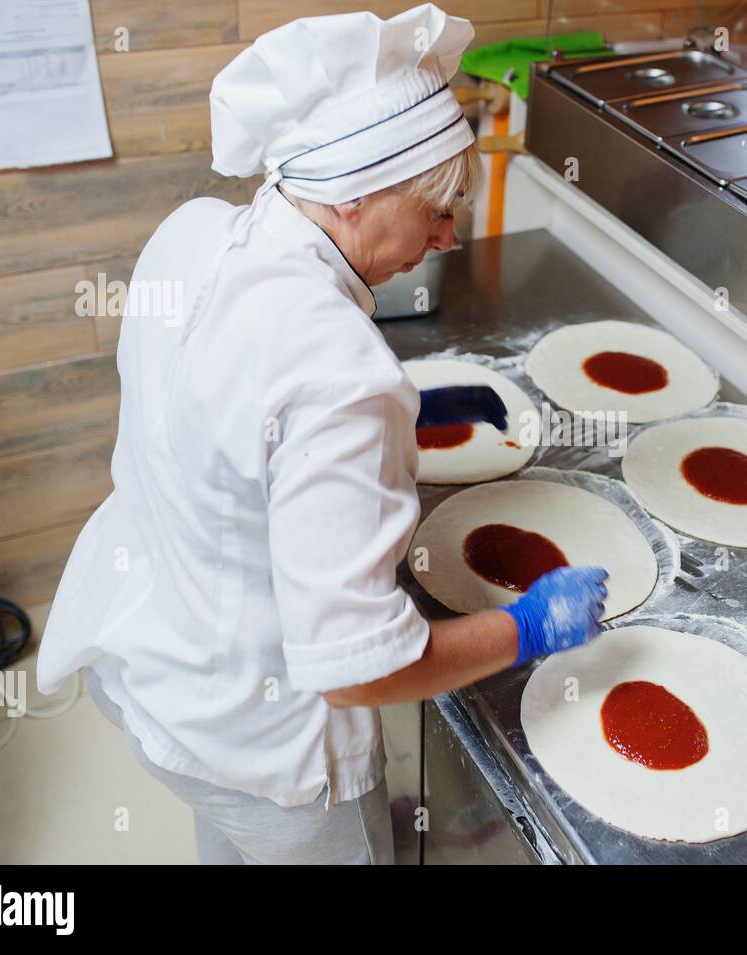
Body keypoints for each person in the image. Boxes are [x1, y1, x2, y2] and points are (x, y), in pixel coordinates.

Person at [36, 4, 606, 865]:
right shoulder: (340, 377)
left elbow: (229, 410)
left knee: (225, 840)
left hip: (154, 667)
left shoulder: (191, 232)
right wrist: (526, 629)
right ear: (353, 195)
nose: (449, 235)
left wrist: (405, 407)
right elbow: (356, 668)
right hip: (266, 742)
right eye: (438, 210)